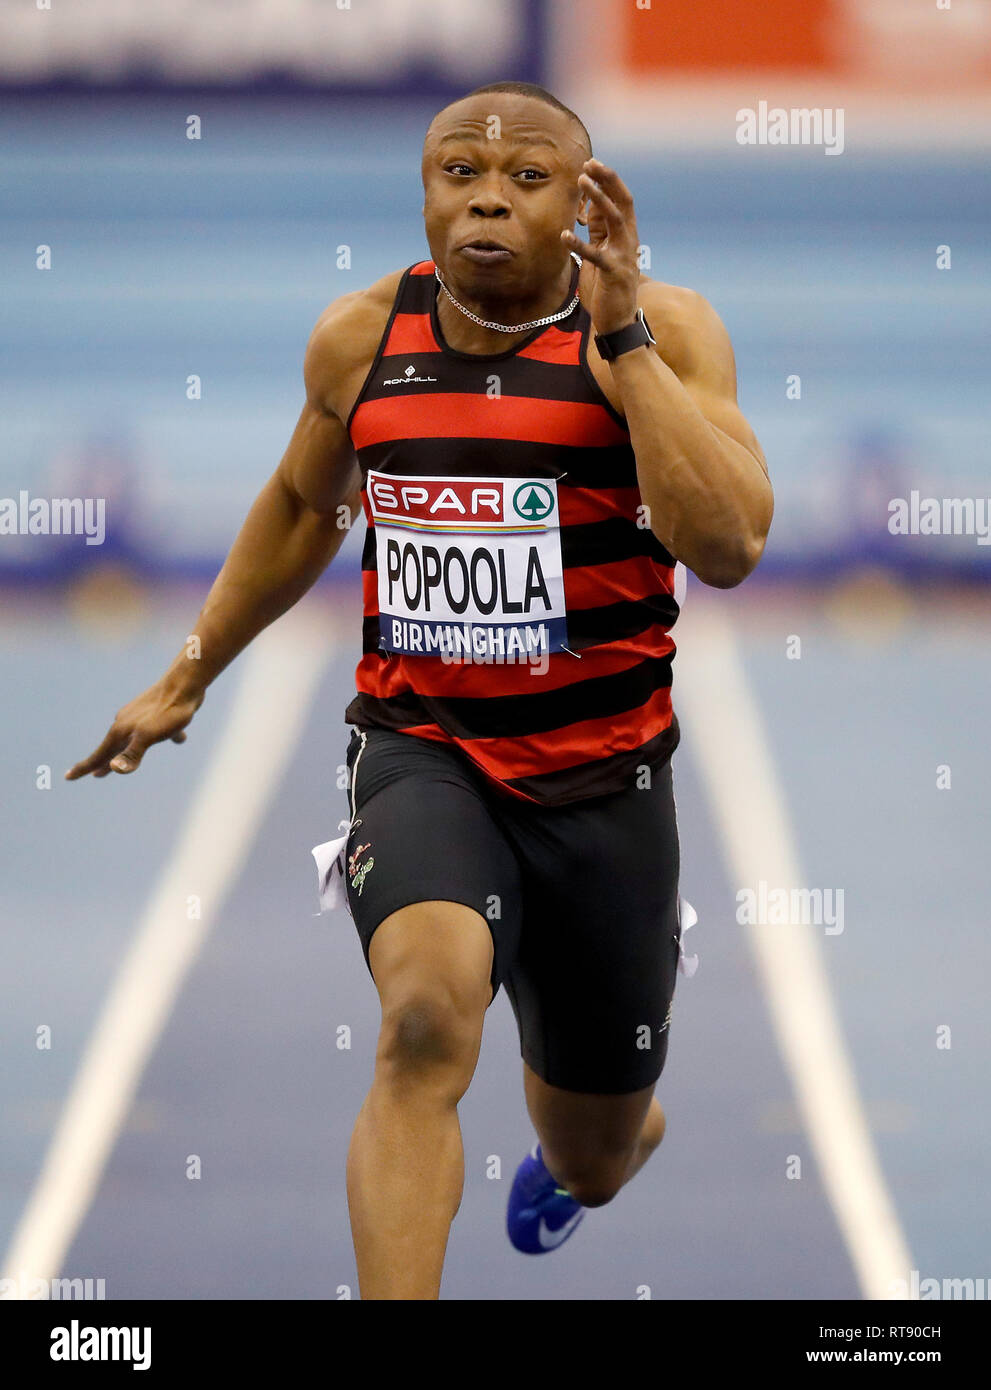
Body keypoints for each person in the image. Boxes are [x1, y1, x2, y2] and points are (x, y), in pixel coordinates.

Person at [67, 80, 773, 1300]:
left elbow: (725, 546)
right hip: (424, 750)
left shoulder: (670, 328)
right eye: (458, 173)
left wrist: (625, 346)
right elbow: (303, 505)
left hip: (604, 780)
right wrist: (186, 675)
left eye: (525, 178)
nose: (486, 196)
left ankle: (602, 1142)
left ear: (582, 201)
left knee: (593, 1150)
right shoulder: (361, 338)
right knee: (423, 1023)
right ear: (427, 190)